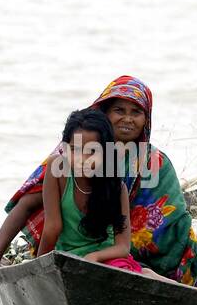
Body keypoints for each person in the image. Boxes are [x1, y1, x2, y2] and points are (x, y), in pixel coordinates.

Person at [0, 75, 197, 287]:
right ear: (105, 113)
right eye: (119, 110)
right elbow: (35, 212)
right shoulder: (65, 159)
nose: (127, 119)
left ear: (146, 119)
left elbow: (175, 221)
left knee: (154, 256)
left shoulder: (153, 162)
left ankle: (185, 283)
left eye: (136, 112)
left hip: (119, 251)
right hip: (72, 248)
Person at [37, 108, 143, 273]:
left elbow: (123, 246)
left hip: (107, 260)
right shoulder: (57, 169)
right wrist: (38, 269)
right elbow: (53, 227)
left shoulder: (116, 187)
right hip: (69, 258)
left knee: (125, 272)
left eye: (92, 152)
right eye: (75, 149)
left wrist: (95, 256)